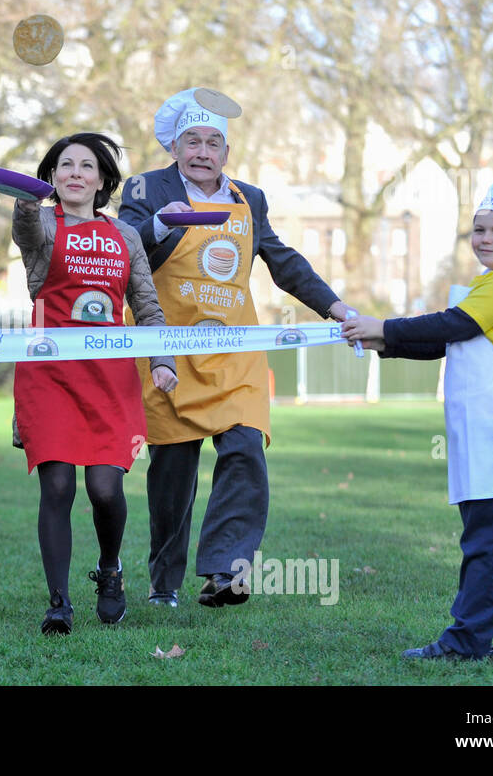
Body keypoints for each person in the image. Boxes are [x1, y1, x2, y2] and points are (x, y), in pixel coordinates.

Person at [118, 88, 353, 608]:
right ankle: (163, 583)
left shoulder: (251, 198)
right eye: (192, 142)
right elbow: (122, 244)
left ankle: (226, 571)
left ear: (226, 152)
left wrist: (336, 308)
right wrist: (162, 222)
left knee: (246, 449)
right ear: (176, 147)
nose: (202, 152)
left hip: (236, 351)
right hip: (168, 352)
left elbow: (284, 262)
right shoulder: (145, 188)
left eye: (213, 143)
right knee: (172, 479)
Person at [343, 161, 493, 660]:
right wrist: (380, 338)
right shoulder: (492, 282)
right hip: (489, 420)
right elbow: (451, 340)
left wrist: (381, 325)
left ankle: (466, 640)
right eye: (479, 229)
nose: (485, 238)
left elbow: (450, 325)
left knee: (486, 536)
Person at [11, 133, 177, 634]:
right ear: (53, 176)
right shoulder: (40, 222)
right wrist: (23, 197)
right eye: (65, 166)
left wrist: (163, 359)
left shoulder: (125, 235)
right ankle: (58, 602)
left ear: (103, 180)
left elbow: (146, 303)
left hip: (111, 379)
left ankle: (110, 571)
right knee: (57, 485)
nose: (75, 174)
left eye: (87, 166)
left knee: (105, 489)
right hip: (49, 376)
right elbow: (23, 231)